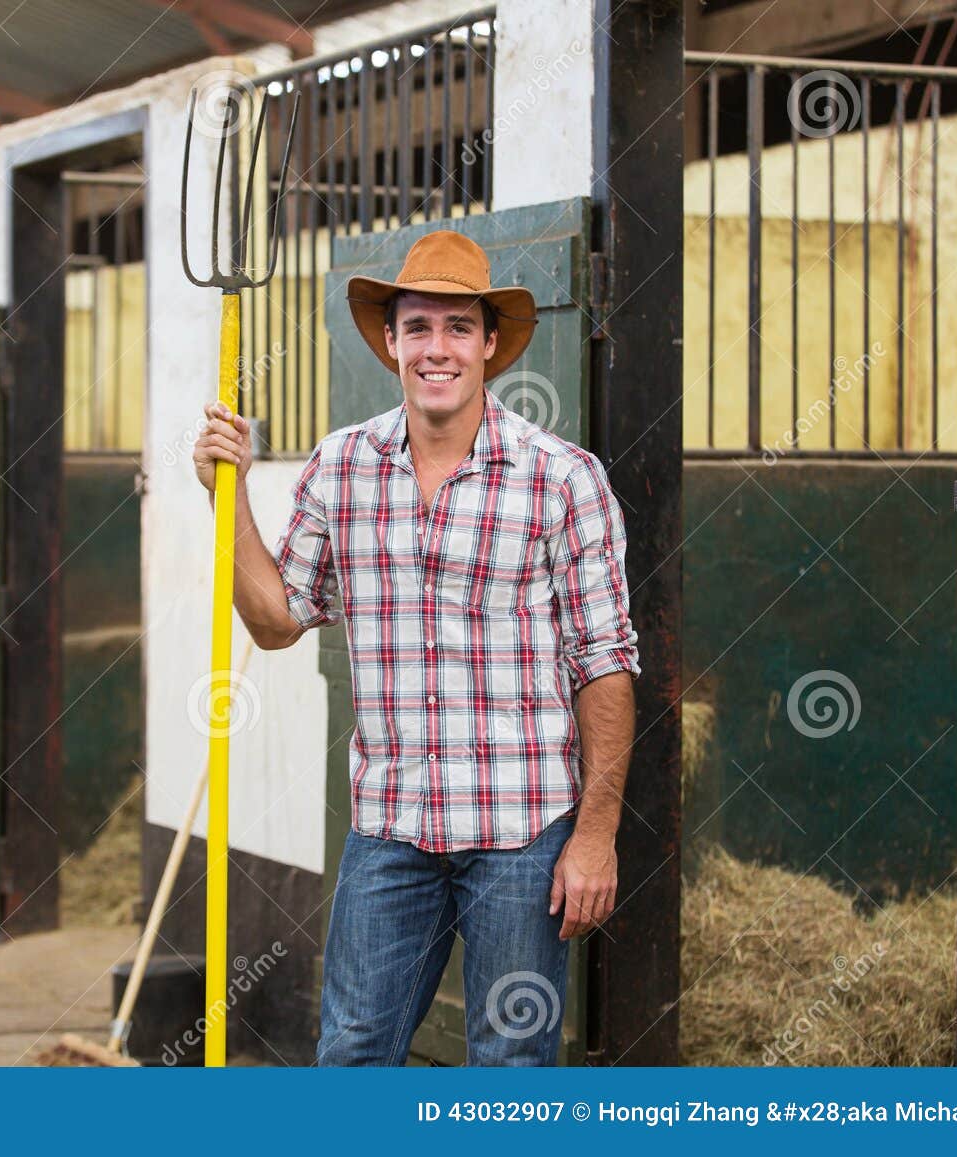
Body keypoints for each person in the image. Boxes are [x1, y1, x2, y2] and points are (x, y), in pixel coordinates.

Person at [192, 229, 640, 1066]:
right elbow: (275, 619)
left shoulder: (563, 479)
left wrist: (596, 834)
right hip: (391, 826)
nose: (439, 348)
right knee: (353, 1054)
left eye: (458, 327)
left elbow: (605, 662)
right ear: (390, 340)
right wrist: (230, 497)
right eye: (420, 326)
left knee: (511, 1066)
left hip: (524, 828)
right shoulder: (341, 467)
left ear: (490, 344)